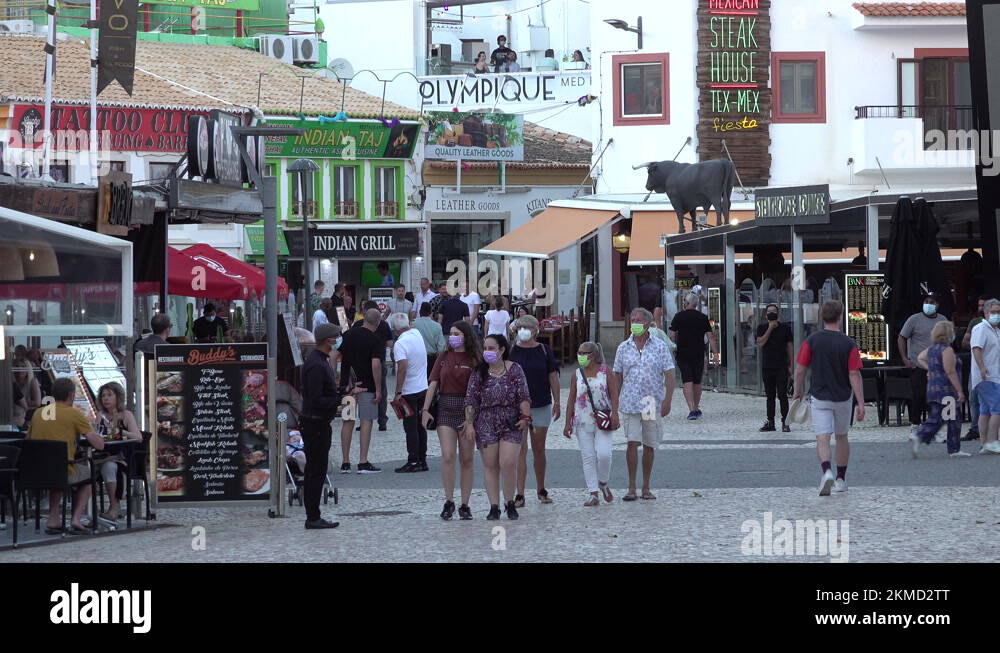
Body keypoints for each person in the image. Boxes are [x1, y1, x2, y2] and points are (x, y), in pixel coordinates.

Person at [793, 300, 865, 496]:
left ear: (822, 317)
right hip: (843, 397)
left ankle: (826, 472)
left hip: (820, 396)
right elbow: (854, 374)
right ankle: (841, 479)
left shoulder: (812, 341)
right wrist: (860, 402)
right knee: (842, 436)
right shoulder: (849, 343)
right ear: (840, 317)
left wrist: (797, 390)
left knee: (823, 437)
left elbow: (800, 369)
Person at [464, 334, 531, 520]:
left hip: (510, 420)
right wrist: (469, 423)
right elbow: (471, 399)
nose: (487, 352)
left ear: (502, 350)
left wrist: (525, 416)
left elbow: (524, 396)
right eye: (485, 348)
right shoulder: (478, 373)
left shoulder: (515, 369)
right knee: (490, 465)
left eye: (491, 348)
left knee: (508, 463)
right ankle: (494, 505)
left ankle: (510, 501)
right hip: (486, 421)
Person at [28, 377, 106, 534]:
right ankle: (76, 518)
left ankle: (53, 518)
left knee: (58, 467)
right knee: (89, 475)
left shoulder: (38, 413)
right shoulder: (73, 414)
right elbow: (99, 445)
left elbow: (28, 440)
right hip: (62, 471)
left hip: (36, 472)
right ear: (71, 395)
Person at [614, 308, 675, 501]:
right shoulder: (624, 347)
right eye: (632, 319)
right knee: (632, 443)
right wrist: (614, 400)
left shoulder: (659, 346)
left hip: (650, 402)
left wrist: (668, 400)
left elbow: (669, 374)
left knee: (649, 443)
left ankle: (646, 487)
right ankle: (631, 487)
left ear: (648, 323)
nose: (634, 323)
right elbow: (618, 375)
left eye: (638, 320)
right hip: (630, 402)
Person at [423, 321, 481, 520]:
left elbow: (477, 390)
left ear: (466, 336)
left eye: (457, 333)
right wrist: (425, 409)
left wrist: (470, 418)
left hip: (467, 408)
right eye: (452, 333)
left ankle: (465, 503)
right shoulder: (444, 356)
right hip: (445, 407)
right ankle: (449, 500)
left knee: (467, 458)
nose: (453, 336)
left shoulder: (474, 359)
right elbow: (433, 383)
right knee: (448, 455)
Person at [509, 315, 560, 506]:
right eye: (520, 326)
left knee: (539, 448)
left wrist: (557, 402)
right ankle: (519, 493)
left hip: (541, 404)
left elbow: (553, 376)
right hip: (518, 407)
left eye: (527, 327)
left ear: (535, 330)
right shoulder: (512, 351)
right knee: (520, 449)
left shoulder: (544, 350)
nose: (523, 330)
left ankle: (541, 489)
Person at [298, 323, 343, 529]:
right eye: (337, 337)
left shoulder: (320, 360)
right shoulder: (316, 364)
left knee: (315, 469)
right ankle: (313, 516)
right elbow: (315, 398)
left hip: (318, 422)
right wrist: (337, 399)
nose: (338, 340)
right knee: (316, 470)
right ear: (328, 340)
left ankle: (313, 514)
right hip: (314, 423)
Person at [564, 341, 620, 506]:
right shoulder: (577, 374)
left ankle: (603, 482)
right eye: (579, 352)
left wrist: (616, 413)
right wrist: (568, 422)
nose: (580, 356)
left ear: (593, 355)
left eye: (584, 353)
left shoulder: (606, 372)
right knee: (588, 456)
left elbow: (614, 394)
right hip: (582, 420)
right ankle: (593, 493)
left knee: (604, 454)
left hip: (603, 417)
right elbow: (571, 399)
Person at [910, 322, 970, 458]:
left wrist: (930, 369)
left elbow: (920, 358)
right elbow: (950, 371)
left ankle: (920, 436)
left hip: (933, 387)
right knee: (953, 418)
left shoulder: (931, 349)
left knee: (939, 415)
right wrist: (959, 390)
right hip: (947, 388)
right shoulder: (946, 350)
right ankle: (952, 448)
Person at [339, 309, 385, 473]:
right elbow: (375, 365)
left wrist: (340, 381)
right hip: (367, 386)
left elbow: (334, 355)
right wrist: (378, 389)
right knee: (366, 421)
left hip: (349, 388)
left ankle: (345, 462)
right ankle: (363, 462)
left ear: (363, 319)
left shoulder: (347, 335)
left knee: (348, 420)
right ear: (378, 322)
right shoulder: (376, 340)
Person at [898, 294, 948, 425]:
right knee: (918, 396)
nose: (928, 304)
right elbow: (901, 337)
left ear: (938, 305)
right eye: (926, 301)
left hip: (937, 366)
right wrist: (905, 358)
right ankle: (915, 424)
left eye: (932, 302)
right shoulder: (914, 319)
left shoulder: (942, 320)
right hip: (918, 365)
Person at [93, 382, 140, 520]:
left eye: (109, 395)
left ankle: (113, 507)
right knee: (85, 467)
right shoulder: (100, 415)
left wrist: (120, 432)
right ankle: (87, 512)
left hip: (122, 458)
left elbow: (138, 437)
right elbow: (98, 434)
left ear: (118, 397)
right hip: (103, 454)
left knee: (109, 467)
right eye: (103, 396)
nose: (105, 399)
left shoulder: (126, 415)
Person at [389, 312, 429, 473]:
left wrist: (398, 392)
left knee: (410, 427)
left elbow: (402, 367)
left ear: (395, 330)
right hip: (422, 387)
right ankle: (422, 459)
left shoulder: (400, 343)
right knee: (421, 425)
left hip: (409, 390)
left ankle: (413, 461)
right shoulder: (416, 333)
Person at [669, 293, 716, 420]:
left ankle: (691, 409)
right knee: (697, 381)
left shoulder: (679, 316)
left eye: (684, 301)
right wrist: (716, 354)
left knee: (687, 380)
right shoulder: (703, 317)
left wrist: (674, 348)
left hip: (683, 353)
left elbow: (672, 335)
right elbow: (711, 337)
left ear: (686, 303)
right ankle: (695, 407)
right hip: (699, 353)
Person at [353, 301, 393, 430]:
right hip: (379, 361)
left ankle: (364, 419)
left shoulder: (358, 325)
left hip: (360, 363)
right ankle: (382, 421)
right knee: (381, 390)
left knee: (362, 391)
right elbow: (390, 342)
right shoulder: (384, 325)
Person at [755, 303, 794, 432]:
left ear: (778, 314)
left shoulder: (785, 328)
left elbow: (790, 347)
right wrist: (770, 328)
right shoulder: (761, 327)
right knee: (770, 395)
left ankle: (785, 422)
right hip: (767, 366)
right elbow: (760, 342)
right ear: (766, 315)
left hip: (781, 366)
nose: (771, 314)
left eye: (774, 312)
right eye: (769, 312)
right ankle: (770, 422)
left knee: (782, 394)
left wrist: (791, 365)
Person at [970, 298, 1000, 454]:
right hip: (986, 376)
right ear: (986, 312)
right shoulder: (981, 328)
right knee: (997, 408)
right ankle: (992, 441)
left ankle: (984, 443)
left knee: (986, 410)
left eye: (998, 312)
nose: (996, 315)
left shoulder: (995, 330)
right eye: (993, 312)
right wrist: (982, 368)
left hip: (994, 375)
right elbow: (976, 348)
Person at [961, 294, 990, 441]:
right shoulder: (975, 322)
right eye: (979, 305)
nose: (980, 308)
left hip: (994, 365)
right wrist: (978, 342)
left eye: (983, 305)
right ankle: (974, 428)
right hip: (976, 366)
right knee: (973, 397)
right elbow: (964, 343)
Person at [413, 302, 446, 378]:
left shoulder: (413, 324)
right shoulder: (437, 326)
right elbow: (441, 346)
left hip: (417, 357)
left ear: (420, 312)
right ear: (431, 313)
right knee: (431, 380)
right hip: (431, 358)